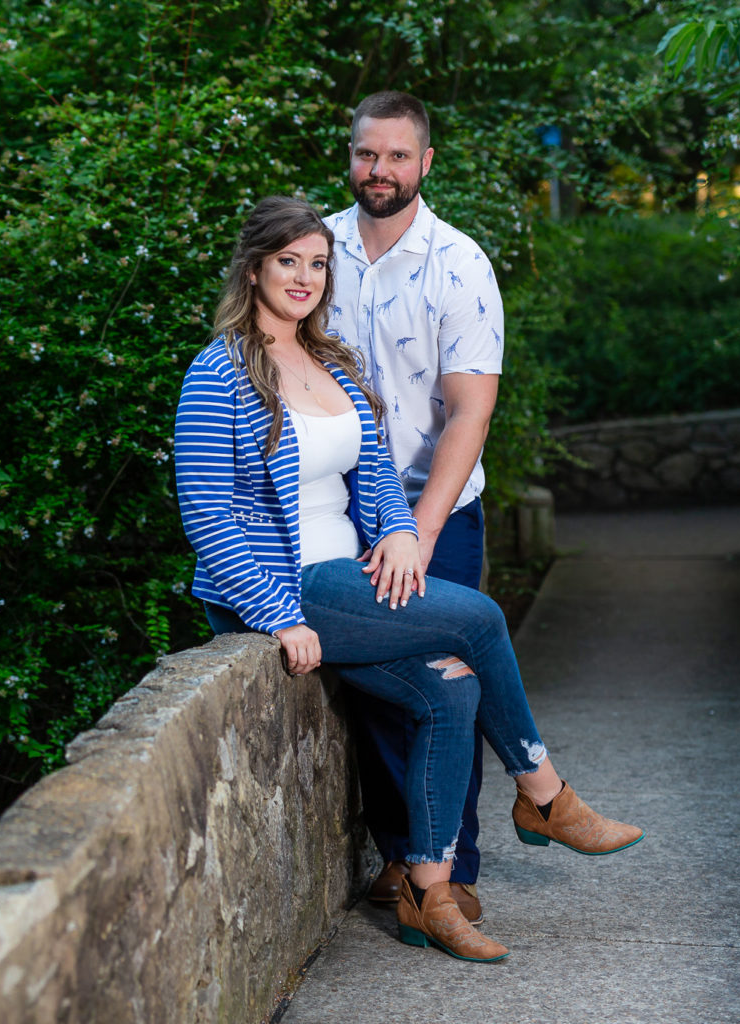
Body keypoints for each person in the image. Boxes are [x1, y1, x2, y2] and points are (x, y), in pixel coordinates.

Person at [173, 195, 642, 963]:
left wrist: (396, 530)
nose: (304, 277)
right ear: (253, 268)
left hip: (348, 574)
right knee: (480, 619)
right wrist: (277, 614)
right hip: (294, 586)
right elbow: (208, 517)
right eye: (287, 262)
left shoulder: (330, 364)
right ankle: (545, 794)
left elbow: (381, 476)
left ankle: (431, 892)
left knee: (451, 688)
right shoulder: (217, 374)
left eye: (317, 263)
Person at [323, 91, 503, 920]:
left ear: (426, 163)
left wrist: (419, 534)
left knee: (447, 684)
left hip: (439, 509)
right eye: (368, 154)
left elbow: (468, 411)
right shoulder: (314, 251)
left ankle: (454, 869)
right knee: (374, 690)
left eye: (398, 156)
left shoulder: (459, 261)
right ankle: (401, 861)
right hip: (339, 509)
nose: (380, 171)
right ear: (350, 155)